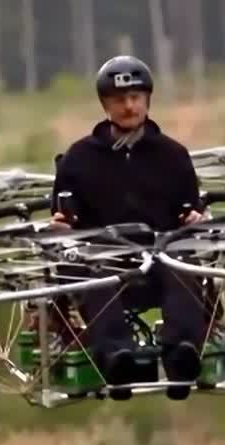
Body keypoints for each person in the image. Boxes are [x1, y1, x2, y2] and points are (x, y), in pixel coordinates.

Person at [49, 55, 211, 392]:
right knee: (91, 272)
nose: (129, 106)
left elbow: (189, 210)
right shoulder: (78, 159)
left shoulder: (173, 156)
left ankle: (182, 353)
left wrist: (193, 218)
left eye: (136, 98)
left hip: (159, 259)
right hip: (103, 262)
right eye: (120, 100)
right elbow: (64, 218)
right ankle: (116, 357)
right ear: (105, 105)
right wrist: (63, 227)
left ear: (147, 101)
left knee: (184, 265)